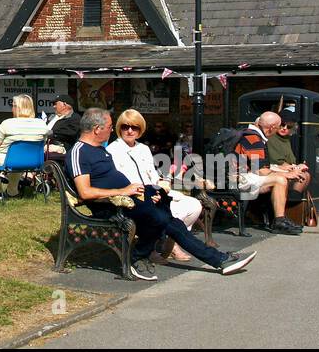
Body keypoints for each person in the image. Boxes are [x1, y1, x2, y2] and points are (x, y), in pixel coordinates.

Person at [66, 109, 256, 279]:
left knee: (168, 218)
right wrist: (123, 191)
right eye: (109, 126)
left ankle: (218, 259)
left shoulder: (100, 150)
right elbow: (85, 192)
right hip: (114, 204)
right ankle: (141, 256)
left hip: (133, 197)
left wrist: (145, 191)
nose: (111, 130)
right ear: (97, 129)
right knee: (165, 220)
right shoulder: (79, 152)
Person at [106, 110, 206, 262]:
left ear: (141, 130)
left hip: (154, 191)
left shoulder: (143, 149)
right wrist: (146, 193)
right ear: (119, 128)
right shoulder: (113, 150)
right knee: (171, 212)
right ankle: (154, 248)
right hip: (136, 197)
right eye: (126, 127)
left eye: (135, 127)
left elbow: (152, 174)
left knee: (194, 205)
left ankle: (170, 242)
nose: (130, 131)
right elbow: (120, 181)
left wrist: (161, 184)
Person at [231, 112, 303, 234]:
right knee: (279, 180)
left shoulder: (249, 134)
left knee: (279, 177)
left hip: (238, 175)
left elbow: (261, 166)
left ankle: (278, 218)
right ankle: (279, 221)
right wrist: (285, 174)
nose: (280, 129)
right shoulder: (253, 139)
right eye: (279, 126)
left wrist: (284, 170)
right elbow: (260, 171)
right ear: (272, 128)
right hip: (237, 179)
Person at [0, 94, 47, 198]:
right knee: (16, 160)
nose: (12, 108)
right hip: (34, 161)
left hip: (8, 160)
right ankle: (12, 192)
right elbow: (43, 143)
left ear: (18, 108)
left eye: (13, 106)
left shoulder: (7, 123)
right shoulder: (41, 124)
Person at [265, 117, 312, 198]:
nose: (284, 128)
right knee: (303, 176)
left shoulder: (286, 139)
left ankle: (292, 202)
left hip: (285, 168)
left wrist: (297, 167)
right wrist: (295, 168)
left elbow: (291, 160)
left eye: (288, 127)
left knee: (306, 175)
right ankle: (289, 204)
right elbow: (277, 161)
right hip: (273, 168)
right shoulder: (272, 137)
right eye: (282, 125)